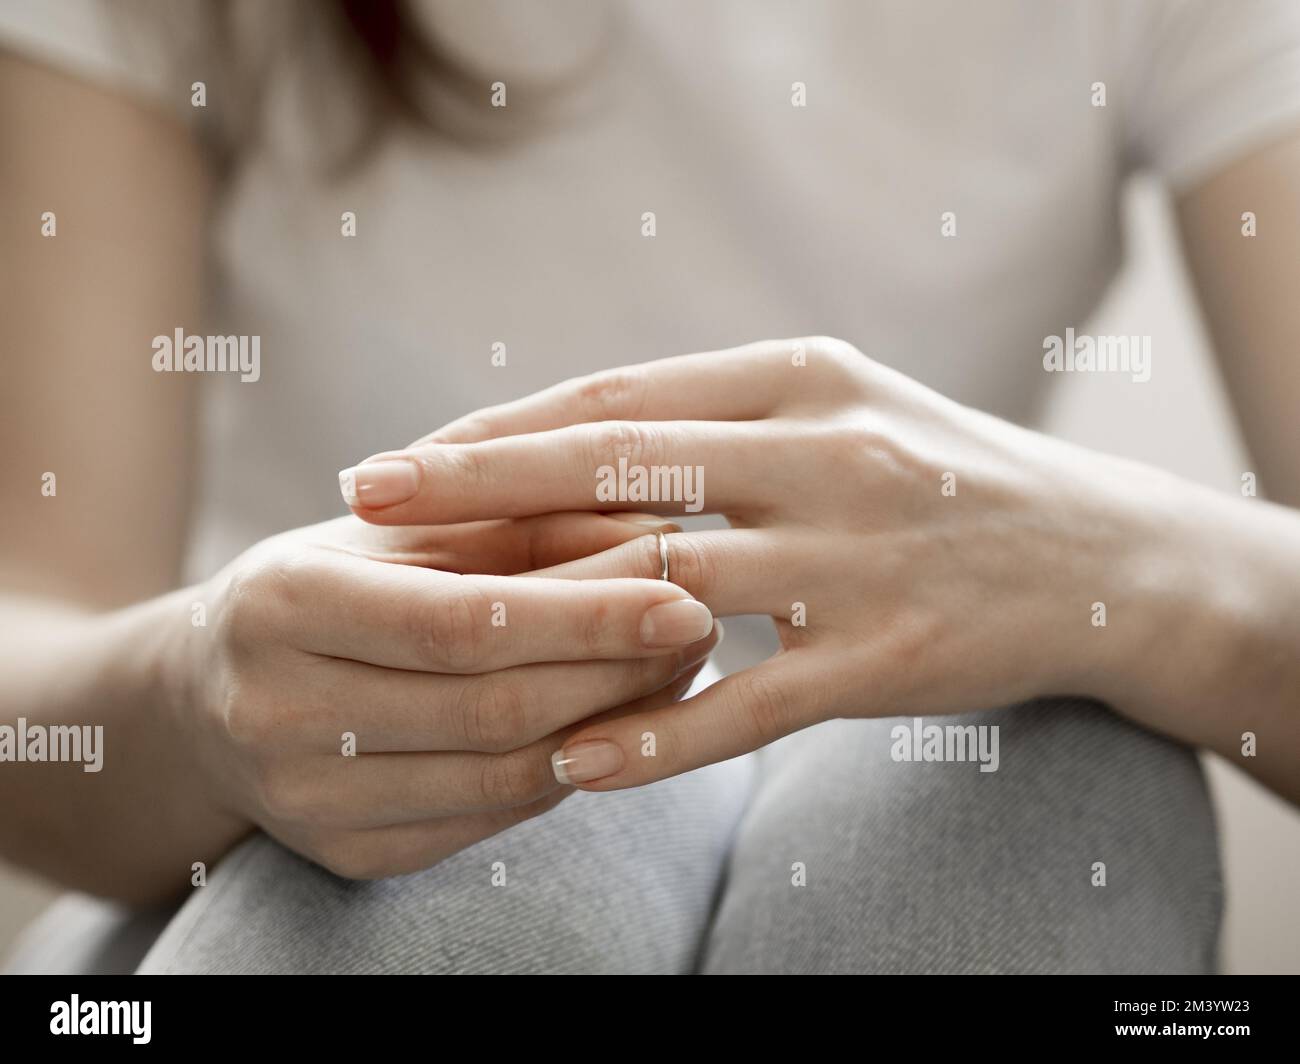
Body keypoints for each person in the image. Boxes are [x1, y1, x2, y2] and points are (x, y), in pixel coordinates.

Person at [1, 0, 1297, 974]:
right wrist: (202, 692)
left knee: (1041, 767)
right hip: (256, 859)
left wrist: (1129, 578)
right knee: (506, 830)